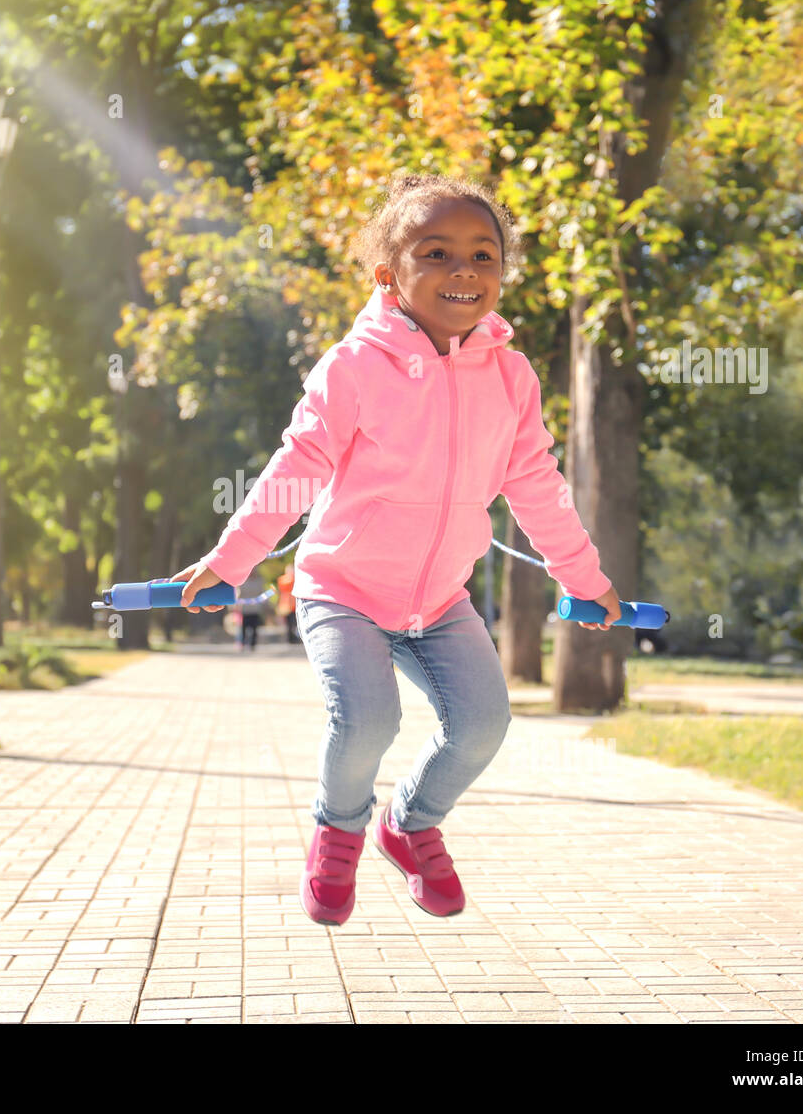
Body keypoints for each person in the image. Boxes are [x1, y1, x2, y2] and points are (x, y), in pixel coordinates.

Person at [169, 173, 621, 927]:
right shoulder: (353, 368)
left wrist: (586, 579)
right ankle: (339, 830)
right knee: (367, 721)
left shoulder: (511, 377)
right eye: (436, 253)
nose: (464, 271)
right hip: (343, 588)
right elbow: (297, 468)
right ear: (390, 275)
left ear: (502, 273)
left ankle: (409, 825)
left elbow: (537, 483)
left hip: (440, 599)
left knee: (484, 724)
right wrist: (231, 559)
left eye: (484, 254)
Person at [236, 570, 266, 651]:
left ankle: (253, 644)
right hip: (245, 608)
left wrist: (264, 604)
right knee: (243, 628)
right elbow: (238, 594)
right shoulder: (242, 581)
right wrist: (236, 605)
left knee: (254, 628)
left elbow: (262, 593)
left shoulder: (259, 581)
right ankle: (242, 644)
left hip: (255, 608)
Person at [277, 563, 298, 644]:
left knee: (290, 623)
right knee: (291, 623)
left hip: (288, 604)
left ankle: (291, 638)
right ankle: (291, 638)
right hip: (290, 604)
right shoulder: (287, 579)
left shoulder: (282, 579)